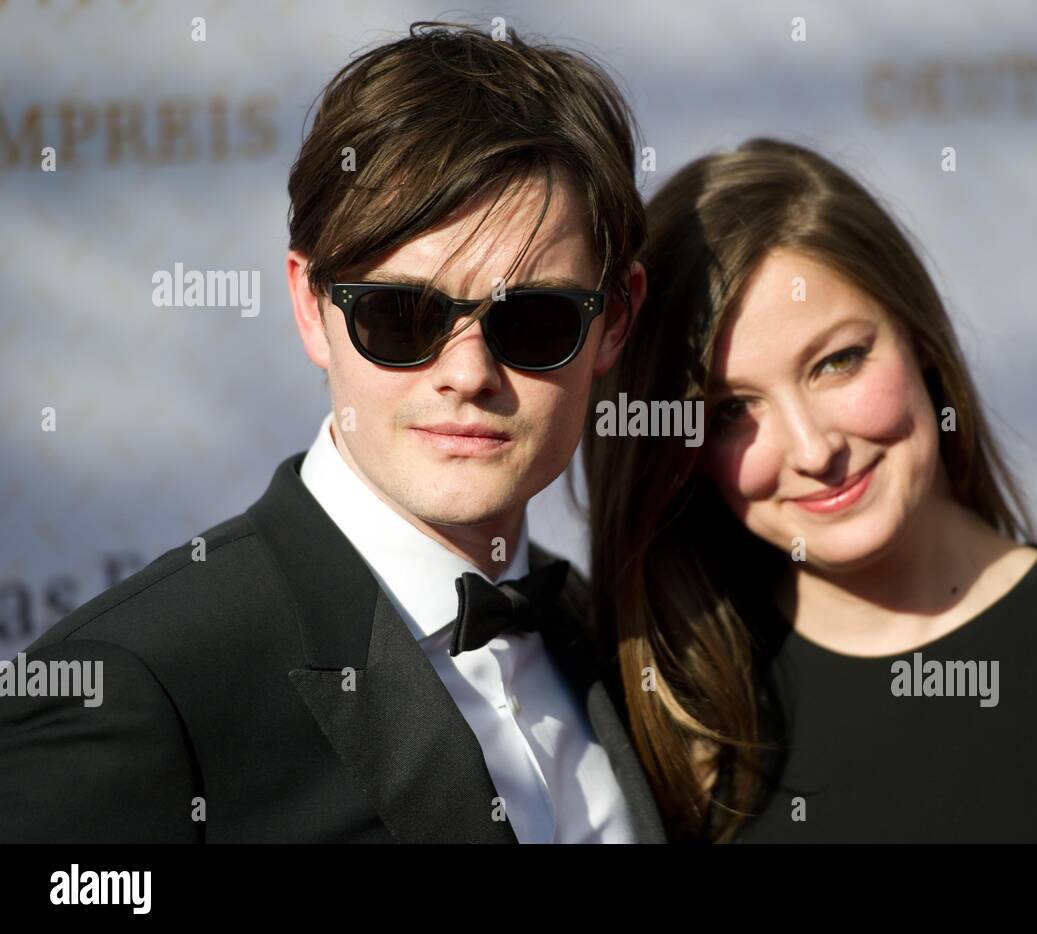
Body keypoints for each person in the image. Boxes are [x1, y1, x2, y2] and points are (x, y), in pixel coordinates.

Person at [0, 21, 664, 844]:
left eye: (533, 320)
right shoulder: (134, 690)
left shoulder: (623, 646)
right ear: (311, 308)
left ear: (617, 320)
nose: (467, 373)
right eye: (400, 314)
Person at [582, 137, 1037, 843]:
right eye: (730, 411)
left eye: (838, 362)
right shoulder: (666, 729)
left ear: (919, 337)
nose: (813, 448)